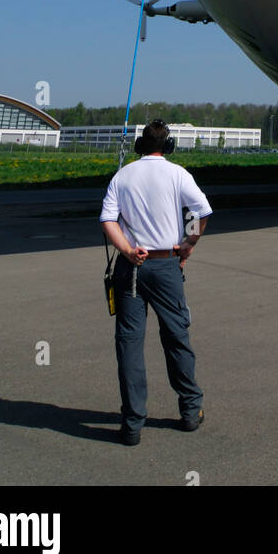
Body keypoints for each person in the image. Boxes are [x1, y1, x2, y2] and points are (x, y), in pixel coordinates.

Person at [100, 119, 213, 445]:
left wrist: (127, 250)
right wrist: (189, 243)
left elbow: (107, 219)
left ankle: (133, 424)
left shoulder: (123, 175)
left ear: (139, 146)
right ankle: (190, 411)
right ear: (168, 146)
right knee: (176, 337)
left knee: (129, 344)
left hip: (131, 267)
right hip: (165, 266)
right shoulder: (178, 173)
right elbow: (202, 210)